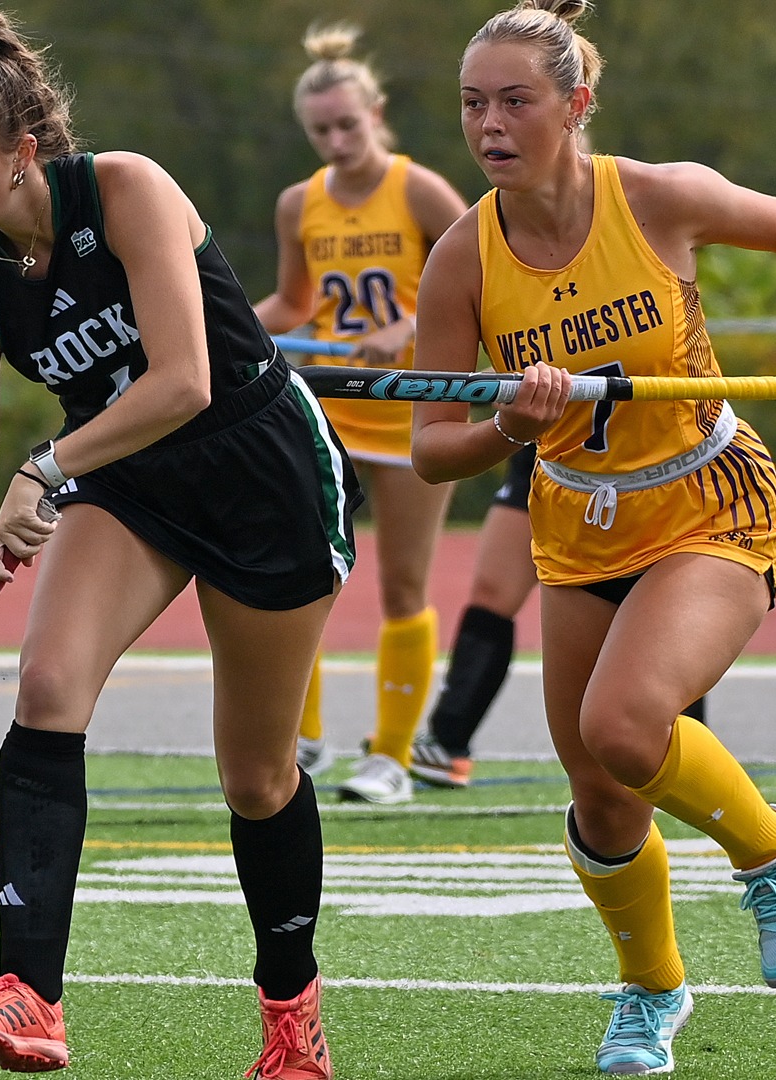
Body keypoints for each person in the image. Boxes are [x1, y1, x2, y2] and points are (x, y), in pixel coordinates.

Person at [0, 10, 358, 1078]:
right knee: (46, 684)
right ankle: (30, 995)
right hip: (132, 483)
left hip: (261, 474)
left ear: (22, 151)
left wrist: (48, 464)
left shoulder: (131, 190)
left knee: (254, 774)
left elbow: (184, 379)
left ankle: (292, 1019)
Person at [411, 1, 776, 1072]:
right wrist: (505, 429)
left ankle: (774, 849)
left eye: (516, 99)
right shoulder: (462, 261)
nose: (490, 123)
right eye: (474, 103)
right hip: (576, 522)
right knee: (601, 796)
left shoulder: (654, 196)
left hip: (709, 500)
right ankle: (652, 991)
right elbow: (434, 450)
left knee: (624, 725)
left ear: (576, 104)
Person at [252, 25, 468, 805]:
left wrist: (408, 331)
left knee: (403, 583)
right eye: (322, 131)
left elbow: (484, 276)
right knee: (301, 569)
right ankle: (296, 737)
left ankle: (394, 760)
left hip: (411, 407)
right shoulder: (298, 204)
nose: (338, 141)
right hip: (330, 410)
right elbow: (297, 302)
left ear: (377, 113)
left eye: (349, 124)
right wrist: (230, 322)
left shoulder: (416, 189)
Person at [408, 444, 707, 789]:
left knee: (656, 600)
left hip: (648, 458)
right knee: (493, 591)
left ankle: (684, 750)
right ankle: (448, 739)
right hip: (553, 452)